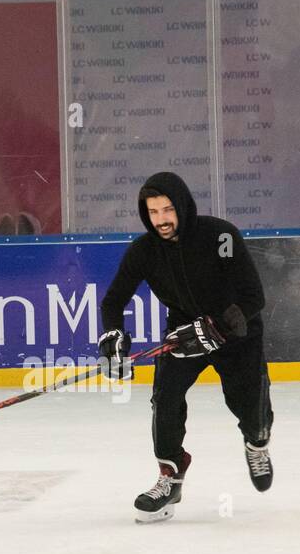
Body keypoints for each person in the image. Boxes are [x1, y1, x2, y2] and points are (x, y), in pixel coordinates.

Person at [98, 171, 274, 524]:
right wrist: (113, 336)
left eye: (167, 210)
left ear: (181, 205)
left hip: (237, 333)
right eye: (153, 212)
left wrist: (218, 328)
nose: (161, 220)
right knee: (165, 398)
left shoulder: (220, 235)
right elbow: (113, 301)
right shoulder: (144, 251)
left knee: (250, 408)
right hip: (184, 334)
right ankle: (170, 475)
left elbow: (254, 296)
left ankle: (256, 443)